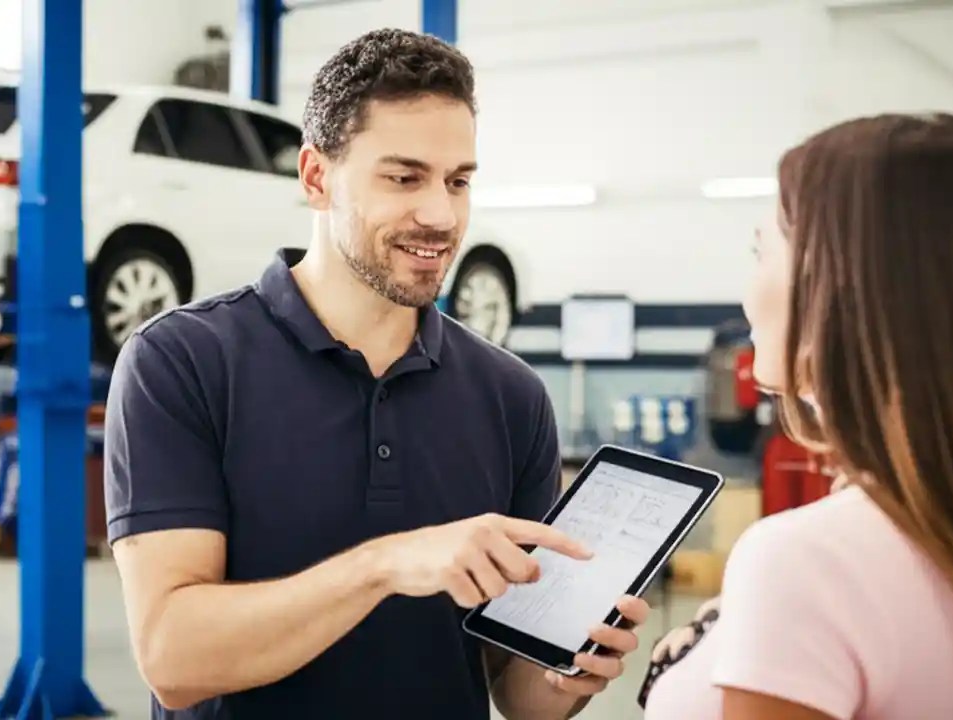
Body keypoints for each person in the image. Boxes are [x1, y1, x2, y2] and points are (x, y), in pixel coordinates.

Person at [103, 28, 649, 720]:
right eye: (404, 177)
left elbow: (513, 690)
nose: (441, 215)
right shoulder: (183, 363)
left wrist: (568, 674)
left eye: (459, 181)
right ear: (315, 176)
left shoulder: (511, 398)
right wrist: (388, 565)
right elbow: (175, 659)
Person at [641, 112, 953, 719]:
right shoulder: (942, 532)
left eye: (761, 251)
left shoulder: (803, 561)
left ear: (833, 286)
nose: (747, 290)